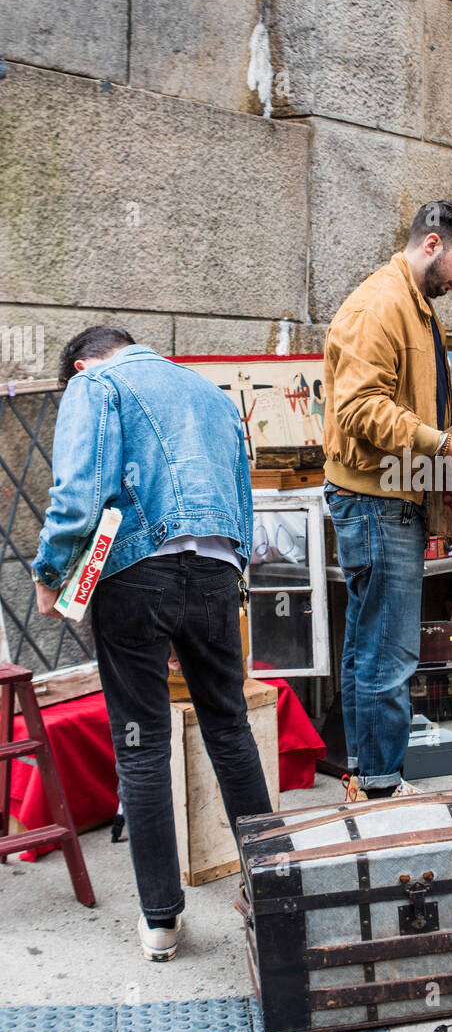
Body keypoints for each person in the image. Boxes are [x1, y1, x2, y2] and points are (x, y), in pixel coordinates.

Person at [31, 327, 272, 962]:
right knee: (230, 729)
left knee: (141, 744)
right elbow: (242, 491)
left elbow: (78, 497)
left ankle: (161, 920)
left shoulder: (95, 383)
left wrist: (48, 572)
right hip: (219, 570)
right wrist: (228, 569)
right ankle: (273, 889)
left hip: (135, 573)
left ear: (81, 363)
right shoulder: (209, 392)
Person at [323, 200, 452, 801]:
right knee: (388, 655)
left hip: (390, 497)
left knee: (368, 649)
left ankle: (362, 774)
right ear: (431, 243)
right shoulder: (379, 305)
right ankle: (379, 785)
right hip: (376, 502)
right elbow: (359, 409)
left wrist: (448, 454)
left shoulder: (417, 306)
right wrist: (443, 444)